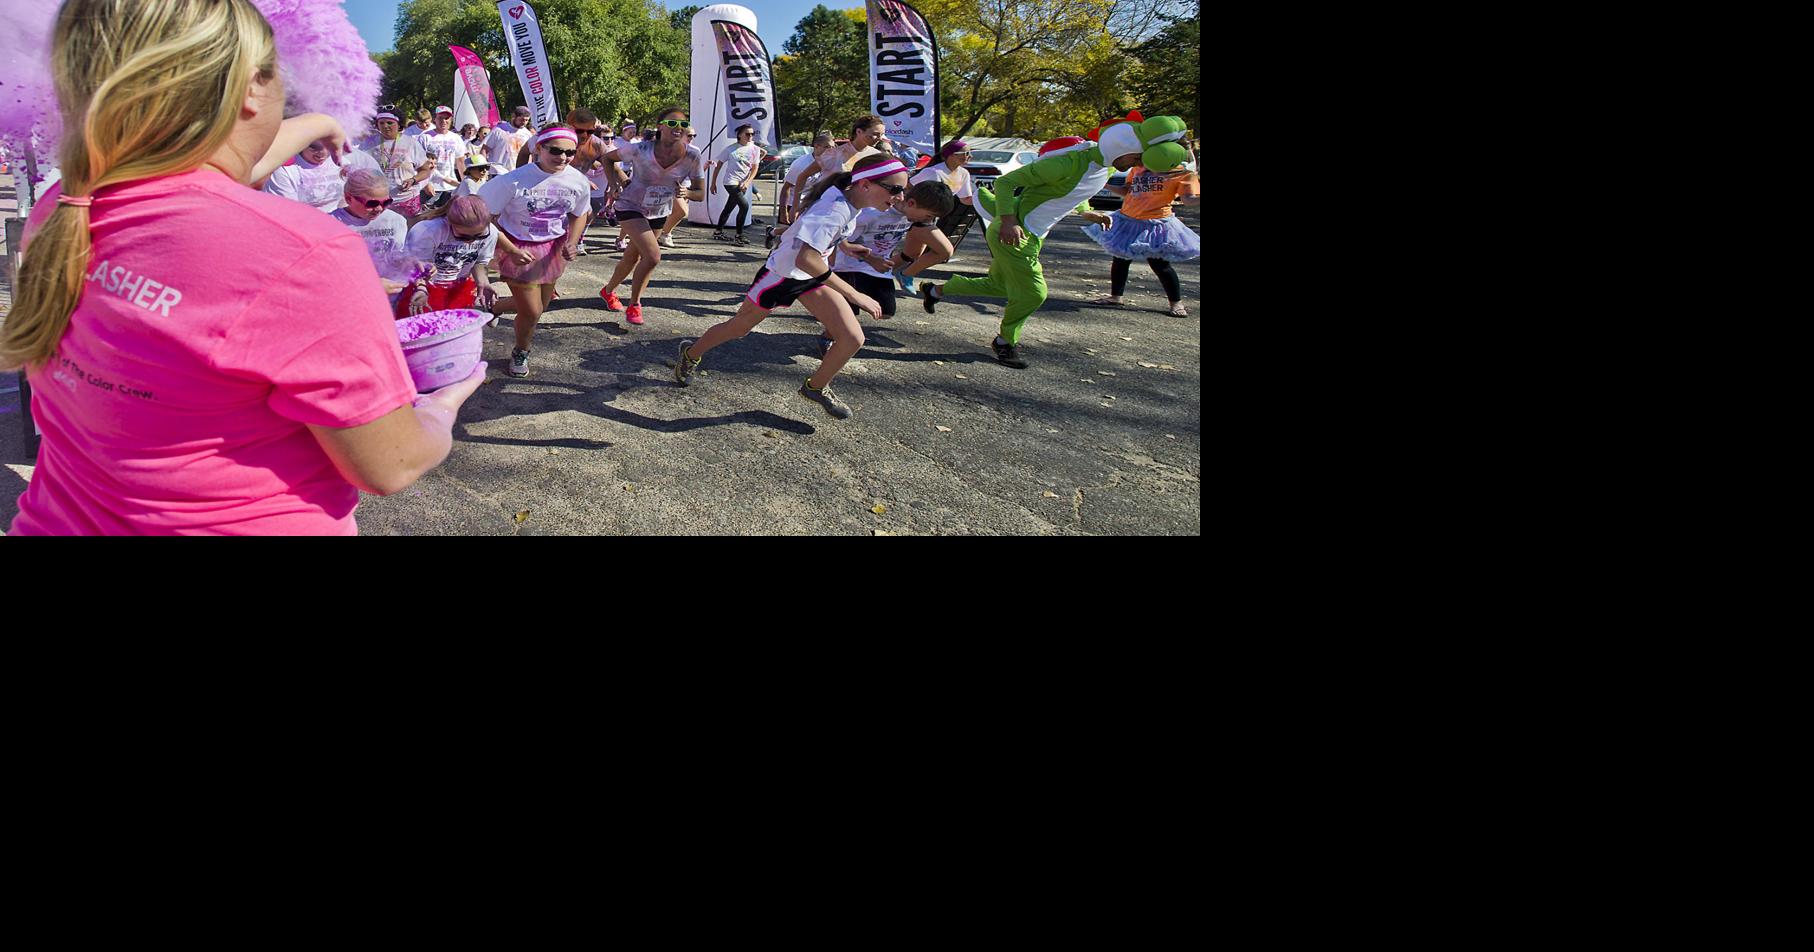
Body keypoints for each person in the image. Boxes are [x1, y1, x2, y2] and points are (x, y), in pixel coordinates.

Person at [2, 0, 481, 536]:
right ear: (254, 85)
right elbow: (390, 464)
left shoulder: (65, 208)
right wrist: (438, 412)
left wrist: (317, 123)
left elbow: (213, 165)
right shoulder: (304, 253)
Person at [921, 112, 1189, 369]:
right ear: (1121, 149)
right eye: (1136, 158)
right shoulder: (1066, 163)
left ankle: (935, 291)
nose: (1136, 164)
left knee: (999, 285)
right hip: (1014, 233)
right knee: (1034, 294)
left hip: (1033, 234)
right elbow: (1005, 183)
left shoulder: (1105, 165)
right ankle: (1005, 342)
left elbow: (1080, 190)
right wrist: (1009, 222)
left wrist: (1086, 212)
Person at [673, 154, 909, 420]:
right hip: (781, 276)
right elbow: (806, 258)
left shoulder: (848, 198)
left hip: (811, 277)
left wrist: (845, 246)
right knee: (738, 329)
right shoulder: (835, 209)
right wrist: (855, 295)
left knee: (852, 337)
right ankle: (691, 353)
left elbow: (819, 233)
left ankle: (815, 387)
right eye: (895, 189)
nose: (900, 197)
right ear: (865, 184)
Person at [477, 124, 591, 377]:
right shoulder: (512, 181)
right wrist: (509, 248)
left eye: (570, 152)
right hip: (518, 246)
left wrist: (573, 241)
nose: (563, 157)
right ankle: (521, 350)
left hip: (553, 249)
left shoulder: (577, 180)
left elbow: (580, 213)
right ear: (539, 148)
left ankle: (495, 308)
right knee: (532, 311)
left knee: (542, 305)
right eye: (555, 151)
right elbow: (484, 217)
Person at [594, 107, 705, 327]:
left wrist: (686, 192)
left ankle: (607, 291)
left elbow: (700, 193)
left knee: (632, 257)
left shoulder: (693, 155)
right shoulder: (640, 149)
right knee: (653, 256)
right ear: (660, 126)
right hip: (630, 206)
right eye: (672, 123)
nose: (678, 128)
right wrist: (615, 184)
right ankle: (635, 304)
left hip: (659, 211)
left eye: (683, 124)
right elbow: (607, 159)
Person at [821, 180, 954, 355]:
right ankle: (829, 337)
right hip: (848, 265)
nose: (929, 221)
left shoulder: (912, 216)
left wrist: (903, 261)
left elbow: (929, 246)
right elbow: (843, 240)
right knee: (849, 311)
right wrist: (869, 259)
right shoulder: (873, 213)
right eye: (928, 216)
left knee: (886, 311)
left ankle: (840, 325)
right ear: (911, 203)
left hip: (878, 268)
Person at [1084, 148, 1199, 318]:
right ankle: (1116, 297)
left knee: (1160, 265)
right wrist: (1104, 184)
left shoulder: (1183, 174)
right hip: (1128, 219)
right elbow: (1127, 190)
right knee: (1120, 259)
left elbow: (1188, 200)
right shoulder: (1139, 168)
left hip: (1155, 224)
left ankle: (1176, 303)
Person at [399, 196, 500, 318]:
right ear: (449, 222)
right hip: (424, 288)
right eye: (463, 236)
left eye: (479, 236)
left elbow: (479, 261)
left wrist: (482, 282)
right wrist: (421, 287)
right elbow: (415, 265)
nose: (471, 241)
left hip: (458, 288)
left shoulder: (491, 232)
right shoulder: (428, 231)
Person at [333, 169, 416, 309]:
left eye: (386, 202)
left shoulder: (396, 221)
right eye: (372, 204)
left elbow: (395, 255)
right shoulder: (330, 223)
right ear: (348, 198)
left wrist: (411, 263)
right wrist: (371, 285)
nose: (379, 209)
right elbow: (328, 272)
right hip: (350, 298)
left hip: (388, 298)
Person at [904, 140, 977, 291]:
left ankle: (881, 275)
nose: (969, 156)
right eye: (965, 153)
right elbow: (909, 186)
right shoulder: (934, 172)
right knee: (944, 251)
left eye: (970, 153)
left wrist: (987, 200)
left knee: (912, 254)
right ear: (950, 155)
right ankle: (905, 274)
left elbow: (965, 199)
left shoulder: (964, 173)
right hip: (918, 217)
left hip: (930, 218)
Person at [789, 115, 883, 218]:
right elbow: (803, 176)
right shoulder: (834, 154)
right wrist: (795, 206)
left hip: (857, 213)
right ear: (859, 131)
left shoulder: (877, 156)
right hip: (825, 209)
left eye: (882, 134)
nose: (880, 138)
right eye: (875, 134)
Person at [364, 108, 437, 220]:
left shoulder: (411, 143)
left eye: (390, 123)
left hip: (407, 199)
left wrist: (413, 180)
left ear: (399, 124)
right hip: (379, 201)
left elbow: (425, 170)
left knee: (409, 228)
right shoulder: (369, 143)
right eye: (381, 123)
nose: (385, 126)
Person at [771, 133, 833, 248]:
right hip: (794, 202)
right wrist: (784, 211)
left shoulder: (829, 162)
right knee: (792, 235)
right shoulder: (801, 164)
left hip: (810, 203)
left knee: (803, 231)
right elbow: (786, 188)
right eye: (827, 147)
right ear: (816, 146)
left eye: (833, 147)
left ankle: (773, 232)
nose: (830, 150)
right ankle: (775, 248)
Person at [711, 123, 765, 244]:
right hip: (730, 181)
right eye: (747, 134)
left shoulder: (755, 149)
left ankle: (718, 232)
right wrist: (713, 183)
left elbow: (755, 168)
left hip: (743, 183)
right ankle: (739, 235)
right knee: (744, 206)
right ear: (739, 135)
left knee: (729, 207)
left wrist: (747, 182)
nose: (750, 136)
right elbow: (718, 165)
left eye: (752, 134)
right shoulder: (731, 149)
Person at [261, 137, 344, 213]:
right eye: (314, 147)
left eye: (329, 146)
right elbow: (288, 211)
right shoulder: (286, 170)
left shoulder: (340, 162)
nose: (323, 152)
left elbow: (346, 201)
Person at [655, 127, 700, 249]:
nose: (691, 138)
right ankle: (664, 234)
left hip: (685, 185)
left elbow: (696, 172)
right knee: (682, 211)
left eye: (694, 136)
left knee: (672, 212)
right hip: (670, 185)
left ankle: (662, 234)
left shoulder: (695, 151)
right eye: (689, 135)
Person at [420, 106, 467, 203]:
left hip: (451, 186)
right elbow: (418, 163)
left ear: (451, 120)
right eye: (440, 118)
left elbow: (460, 162)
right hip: (431, 187)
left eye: (447, 118)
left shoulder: (456, 138)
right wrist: (425, 184)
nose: (444, 121)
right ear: (435, 119)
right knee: (429, 212)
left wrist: (465, 183)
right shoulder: (425, 137)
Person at [483, 105, 535, 171]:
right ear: (513, 116)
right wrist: (484, 167)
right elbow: (484, 149)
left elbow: (531, 153)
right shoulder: (498, 130)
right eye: (521, 119)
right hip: (499, 172)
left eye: (526, 120)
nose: (524, 122)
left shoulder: (527, 134)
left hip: (519, 172)